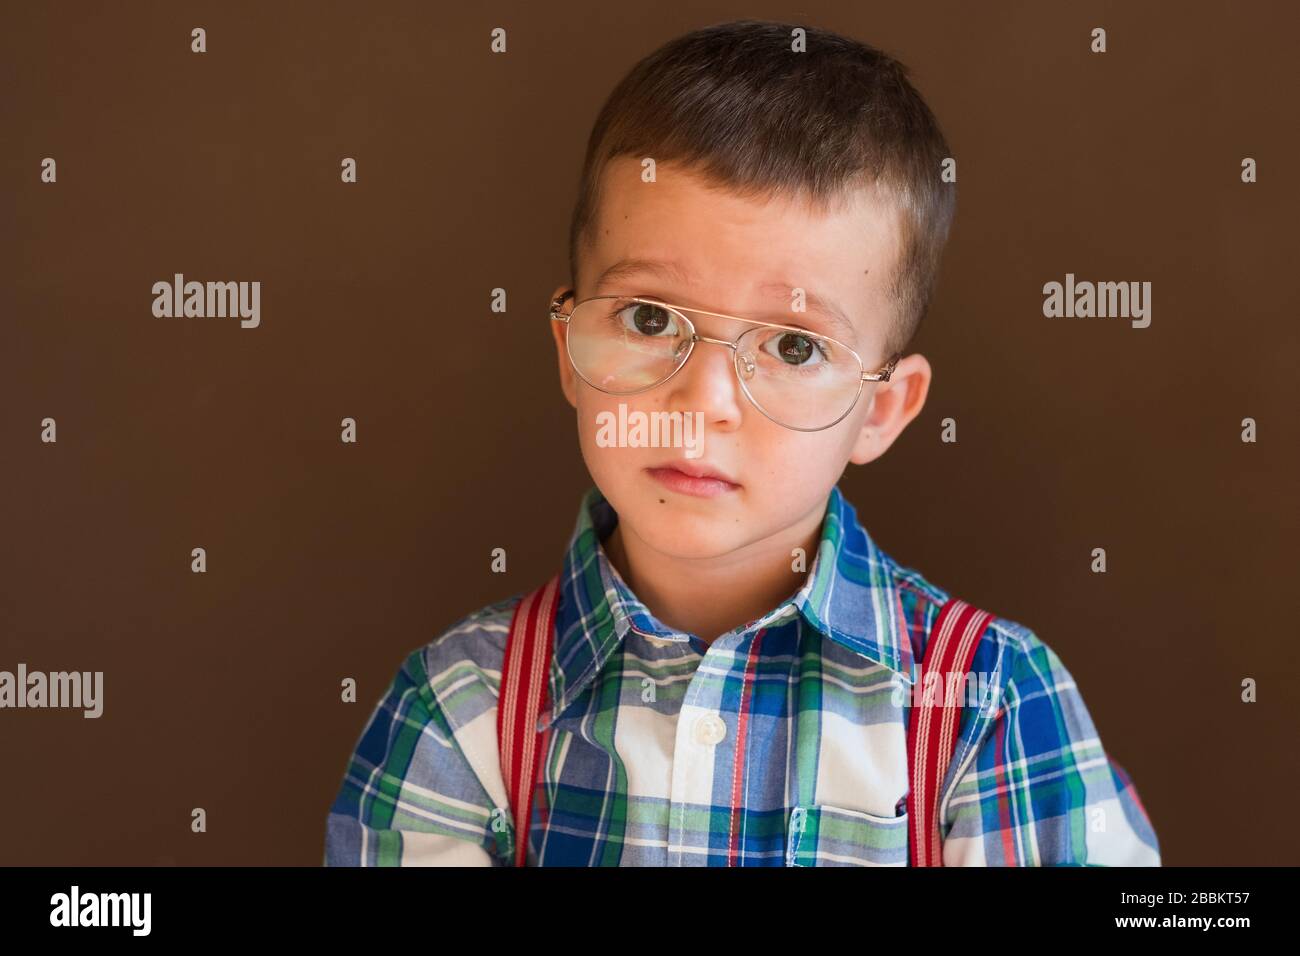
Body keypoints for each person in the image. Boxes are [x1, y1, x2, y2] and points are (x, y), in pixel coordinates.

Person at [324, 19, 1160, 866]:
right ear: (569, 350)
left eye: (794, 346)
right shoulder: (462, 709)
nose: (704, 402)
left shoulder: (989, 705)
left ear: (883, 411)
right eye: (650, 319)